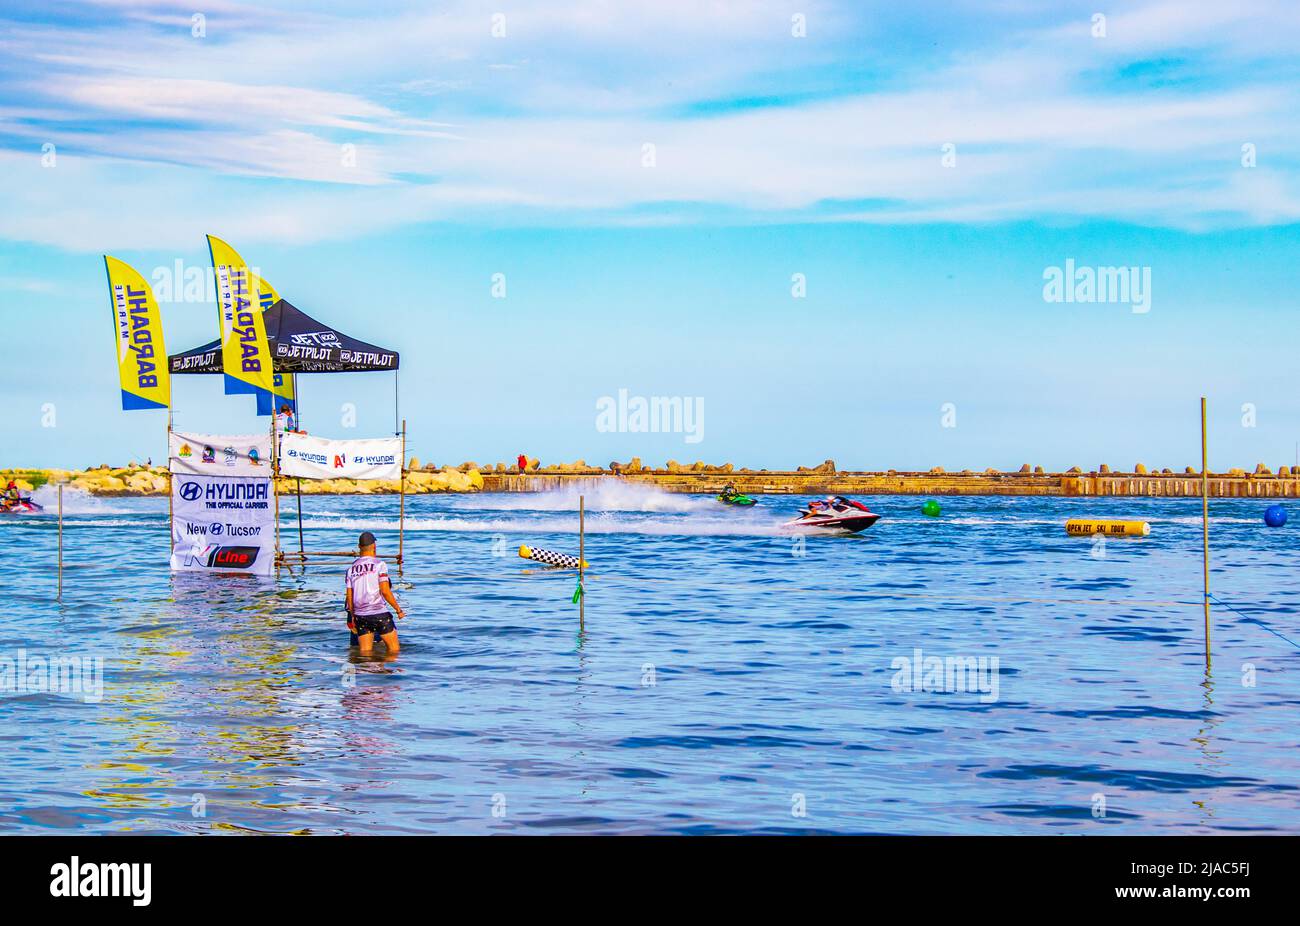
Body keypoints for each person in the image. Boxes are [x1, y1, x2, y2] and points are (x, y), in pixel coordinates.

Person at [345, 531, 405, 654]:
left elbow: (349, 597)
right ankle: (389, 672)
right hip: (379, 614)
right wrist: (398, 610)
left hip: (361, 616)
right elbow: (385, 591)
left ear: (359, 547)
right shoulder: (380, 565)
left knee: (365, 654)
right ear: (374, 546)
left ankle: (366, 672)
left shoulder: (351, 569)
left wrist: (352, 617)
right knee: (394, 651)